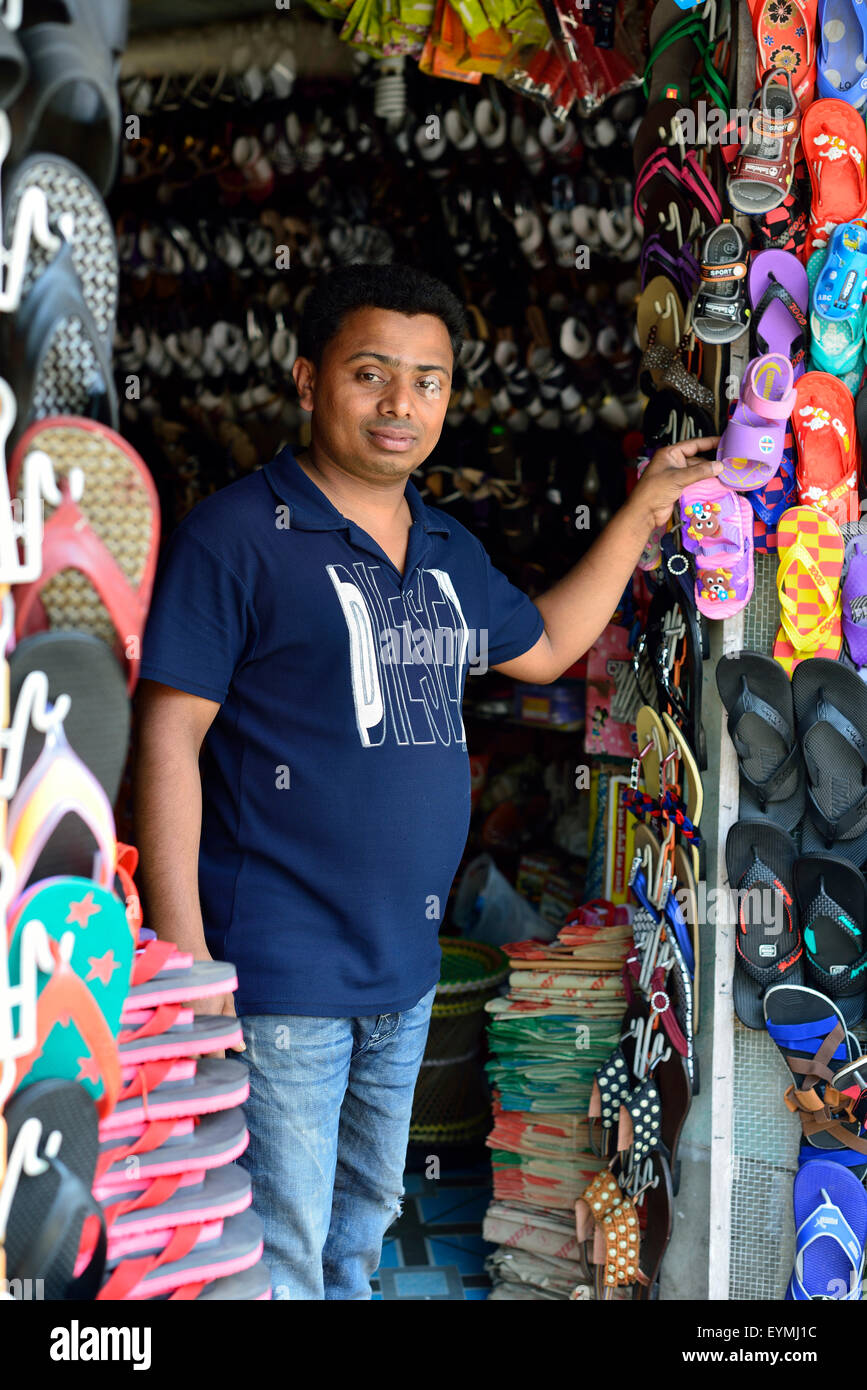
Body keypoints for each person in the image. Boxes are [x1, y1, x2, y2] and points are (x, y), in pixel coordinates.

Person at [134, 262, 722, 1300]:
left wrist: (643, 510)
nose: (401, 403)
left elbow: (542, 646)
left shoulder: (447, 550)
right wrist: (184, 954)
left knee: (361, 1221)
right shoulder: (236, 537)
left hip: (402, 965)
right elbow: (169, 736)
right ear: (309, 382)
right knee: (279, 1236)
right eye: (371, 374)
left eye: (428, 380)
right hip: (279, 967)